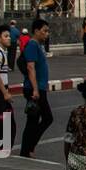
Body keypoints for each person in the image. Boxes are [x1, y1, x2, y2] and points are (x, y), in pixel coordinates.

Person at [19, 19, 54, 158]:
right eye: (44, 31)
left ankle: (27, 149)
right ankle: (28, 147)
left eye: (47, 31)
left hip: (39, 87)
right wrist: (35, 89)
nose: (46, 34)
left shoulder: (39, 45)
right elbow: (30, 67)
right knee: (46, 118)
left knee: (33, 120)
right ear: (36, 31)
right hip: (34, 88)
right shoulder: (32, 45)